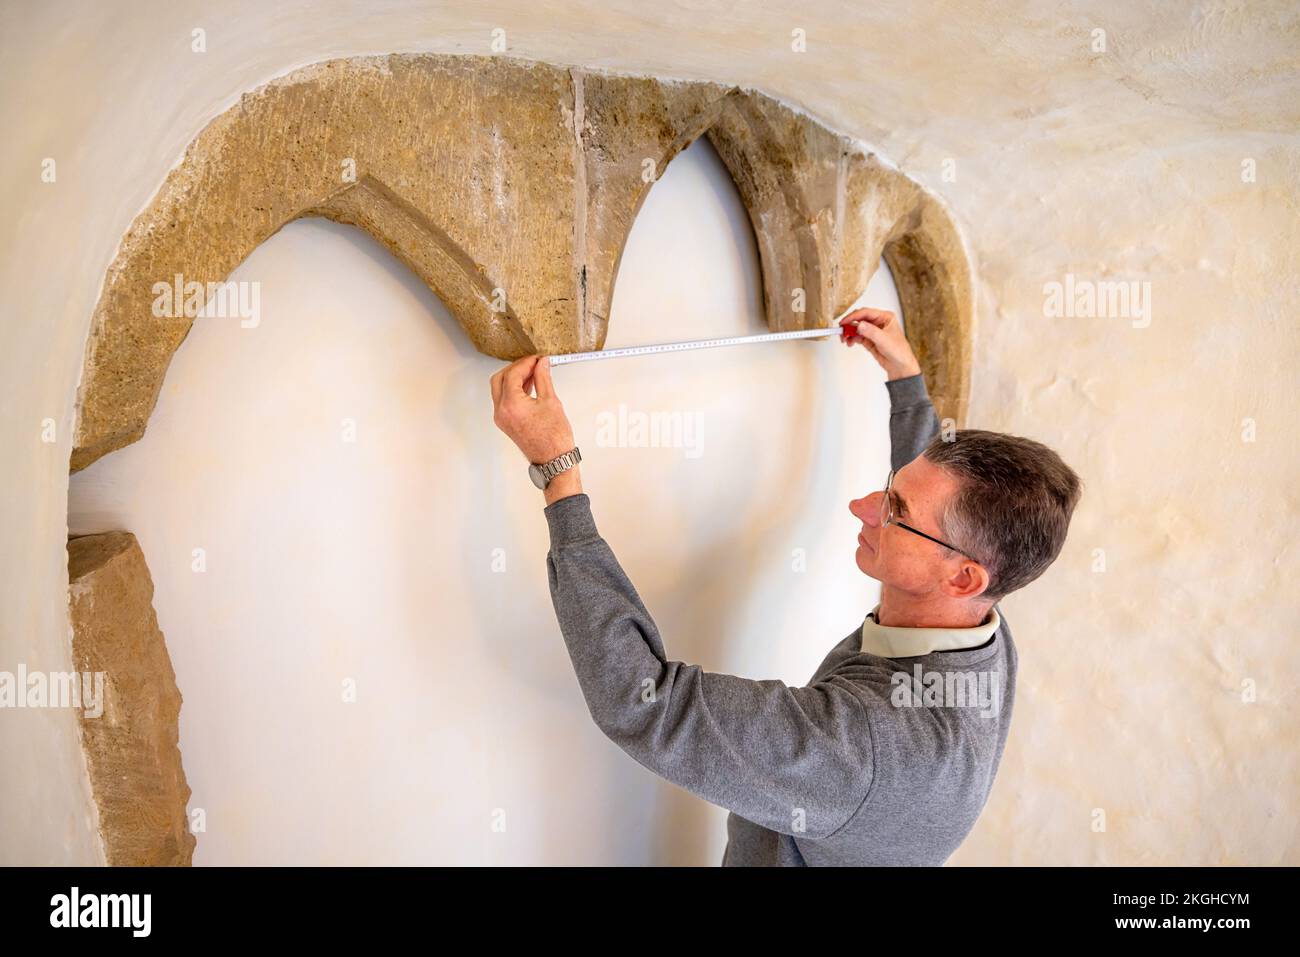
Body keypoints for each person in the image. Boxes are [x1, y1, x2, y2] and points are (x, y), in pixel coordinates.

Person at [489, 307, 1082, 865]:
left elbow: (643, 702)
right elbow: (935, 501)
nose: (861, 506)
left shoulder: (861, 752)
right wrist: (905, 380)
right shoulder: (980, 627)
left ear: (961, 576)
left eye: (893, 510)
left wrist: (557, 472)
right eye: (890, 489)